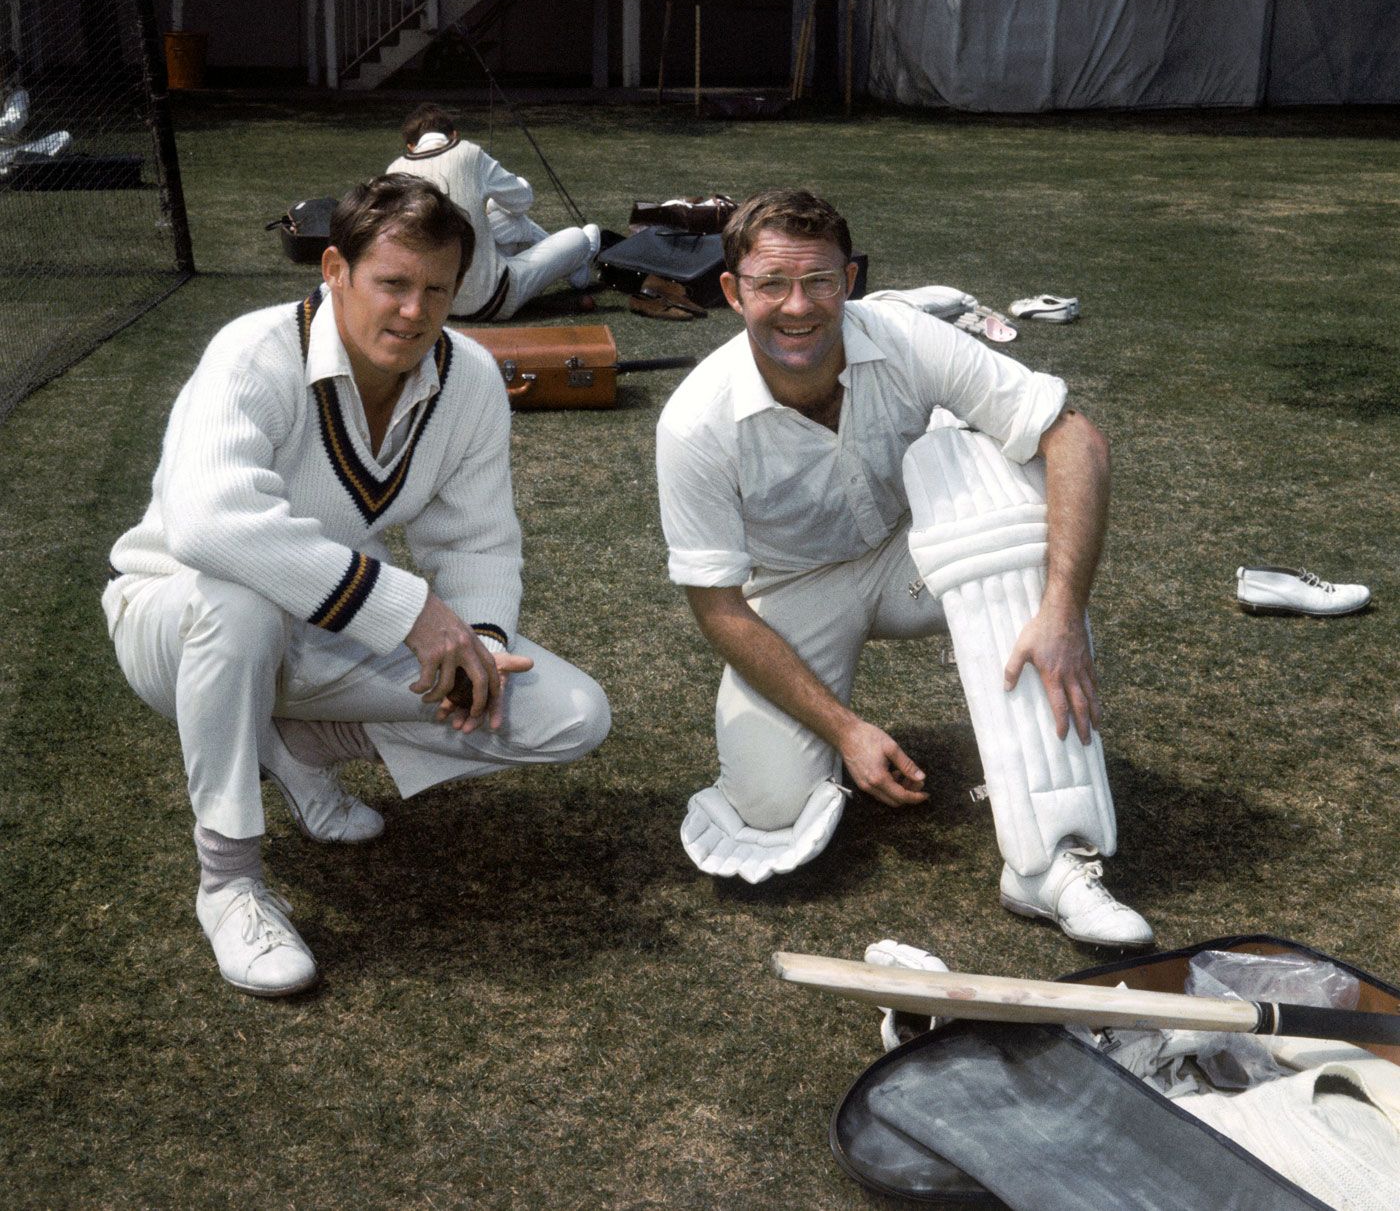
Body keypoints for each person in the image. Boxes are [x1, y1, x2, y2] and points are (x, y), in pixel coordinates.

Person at [103, 173, 611, 996]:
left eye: (436, 290)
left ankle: (299, 744)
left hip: (314, 628)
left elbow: (478, 539)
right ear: (335, 270)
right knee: (241, 599)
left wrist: (476, 642)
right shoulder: (254, 350)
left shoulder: (471, 376)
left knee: (569, 714)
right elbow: (208, 525)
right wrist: (408, 610)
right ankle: (229, 881)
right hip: (172, 617)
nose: (414, 311)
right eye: (392, 284)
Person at [655, 188, 1151, 948]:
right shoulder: (694, 421)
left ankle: (1048, 862)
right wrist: (846, 731)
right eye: (771, 284)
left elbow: (1076, 436)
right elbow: (718, 607)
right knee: (767, 808)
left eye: (819, 281)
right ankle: (808, 762)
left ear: (848, 279)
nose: (798, 306)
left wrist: (1060, 609)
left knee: (1019, 501)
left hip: (916, 549)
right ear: (732, 291)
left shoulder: (903, 333)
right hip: (790, 589)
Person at [387, 103, 600, 321]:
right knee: (579, 237)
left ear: (411, 146)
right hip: (490, 299)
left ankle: (574, 268)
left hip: (432, 305)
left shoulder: (393, 171)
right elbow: (522, 200)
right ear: (454, 135)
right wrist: (519, 184)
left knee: (504, 217)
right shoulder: (468, 153)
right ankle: (580, 258)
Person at [0, 48, 71, 172]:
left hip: (12, 152)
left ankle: (13, 169)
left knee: (63, 137)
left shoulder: (18, 93)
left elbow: (15, 122)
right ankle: (14, 170)